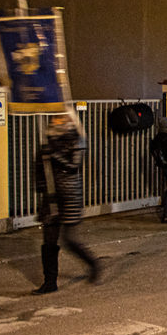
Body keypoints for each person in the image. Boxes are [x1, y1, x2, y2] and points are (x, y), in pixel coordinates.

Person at [32, 115, 102, 294]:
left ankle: (93, 263)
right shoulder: (47, 144)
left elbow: (73, 166)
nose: (56, 123)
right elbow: (39, 169)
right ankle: (50, 281)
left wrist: (53, 155)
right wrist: (42, 186)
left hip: (70, 196)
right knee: (49, 241)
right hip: (51, 198)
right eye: (54, 121)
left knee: (69, 240)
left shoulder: (76, 141)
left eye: (60, 121)